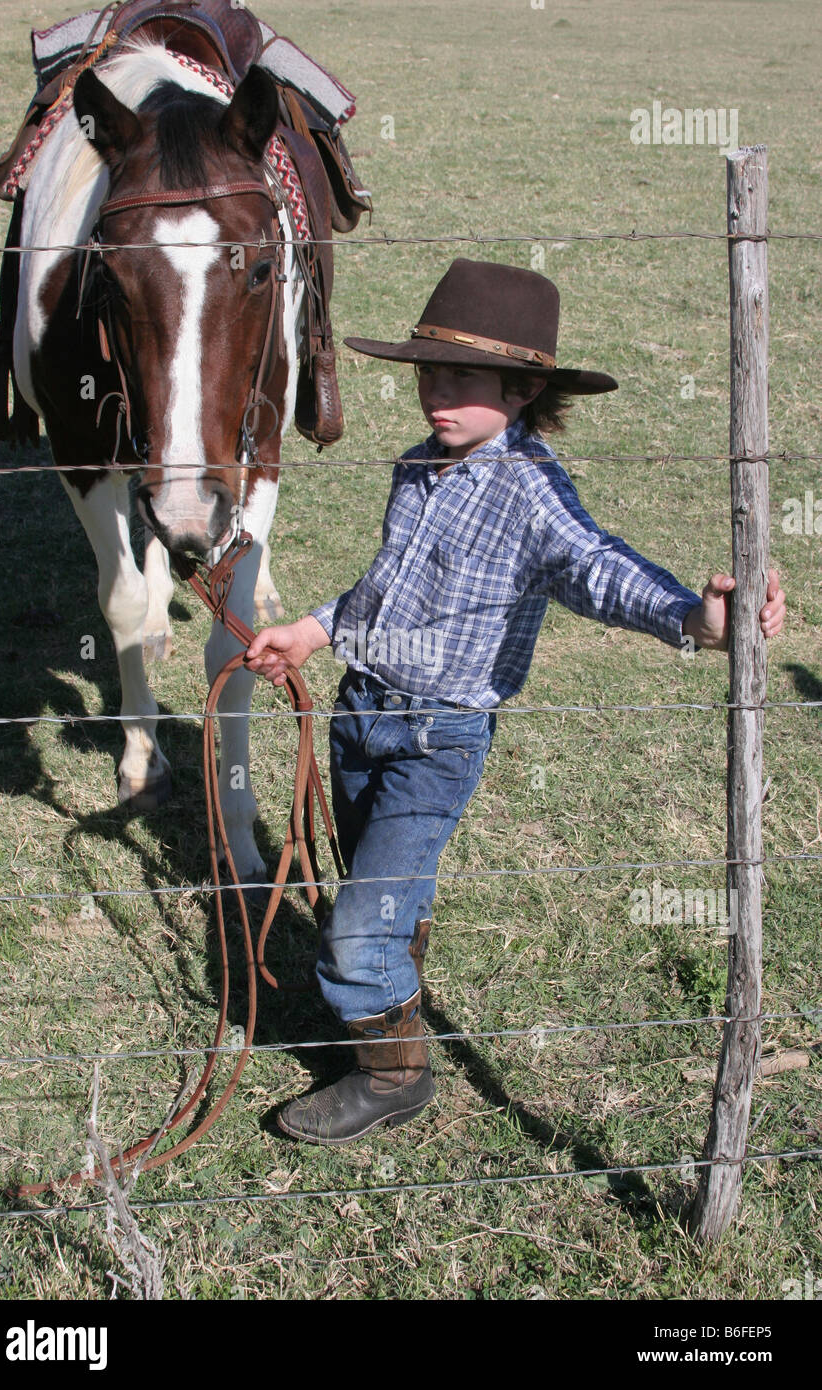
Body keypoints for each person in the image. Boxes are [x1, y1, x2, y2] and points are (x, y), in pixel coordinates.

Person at [245, 259, 786, 1146]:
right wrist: (312, 630)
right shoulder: (421, 465)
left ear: (525, 388)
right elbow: (387, 589)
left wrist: (695, 616)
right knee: (382, 888)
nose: (436, 393)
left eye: (461, 377)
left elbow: (595, 565)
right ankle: (392, 980)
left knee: (353, 932)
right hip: (360, 716)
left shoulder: (532, 488)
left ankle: (395, 1074)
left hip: (436, 737)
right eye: (427, 370)